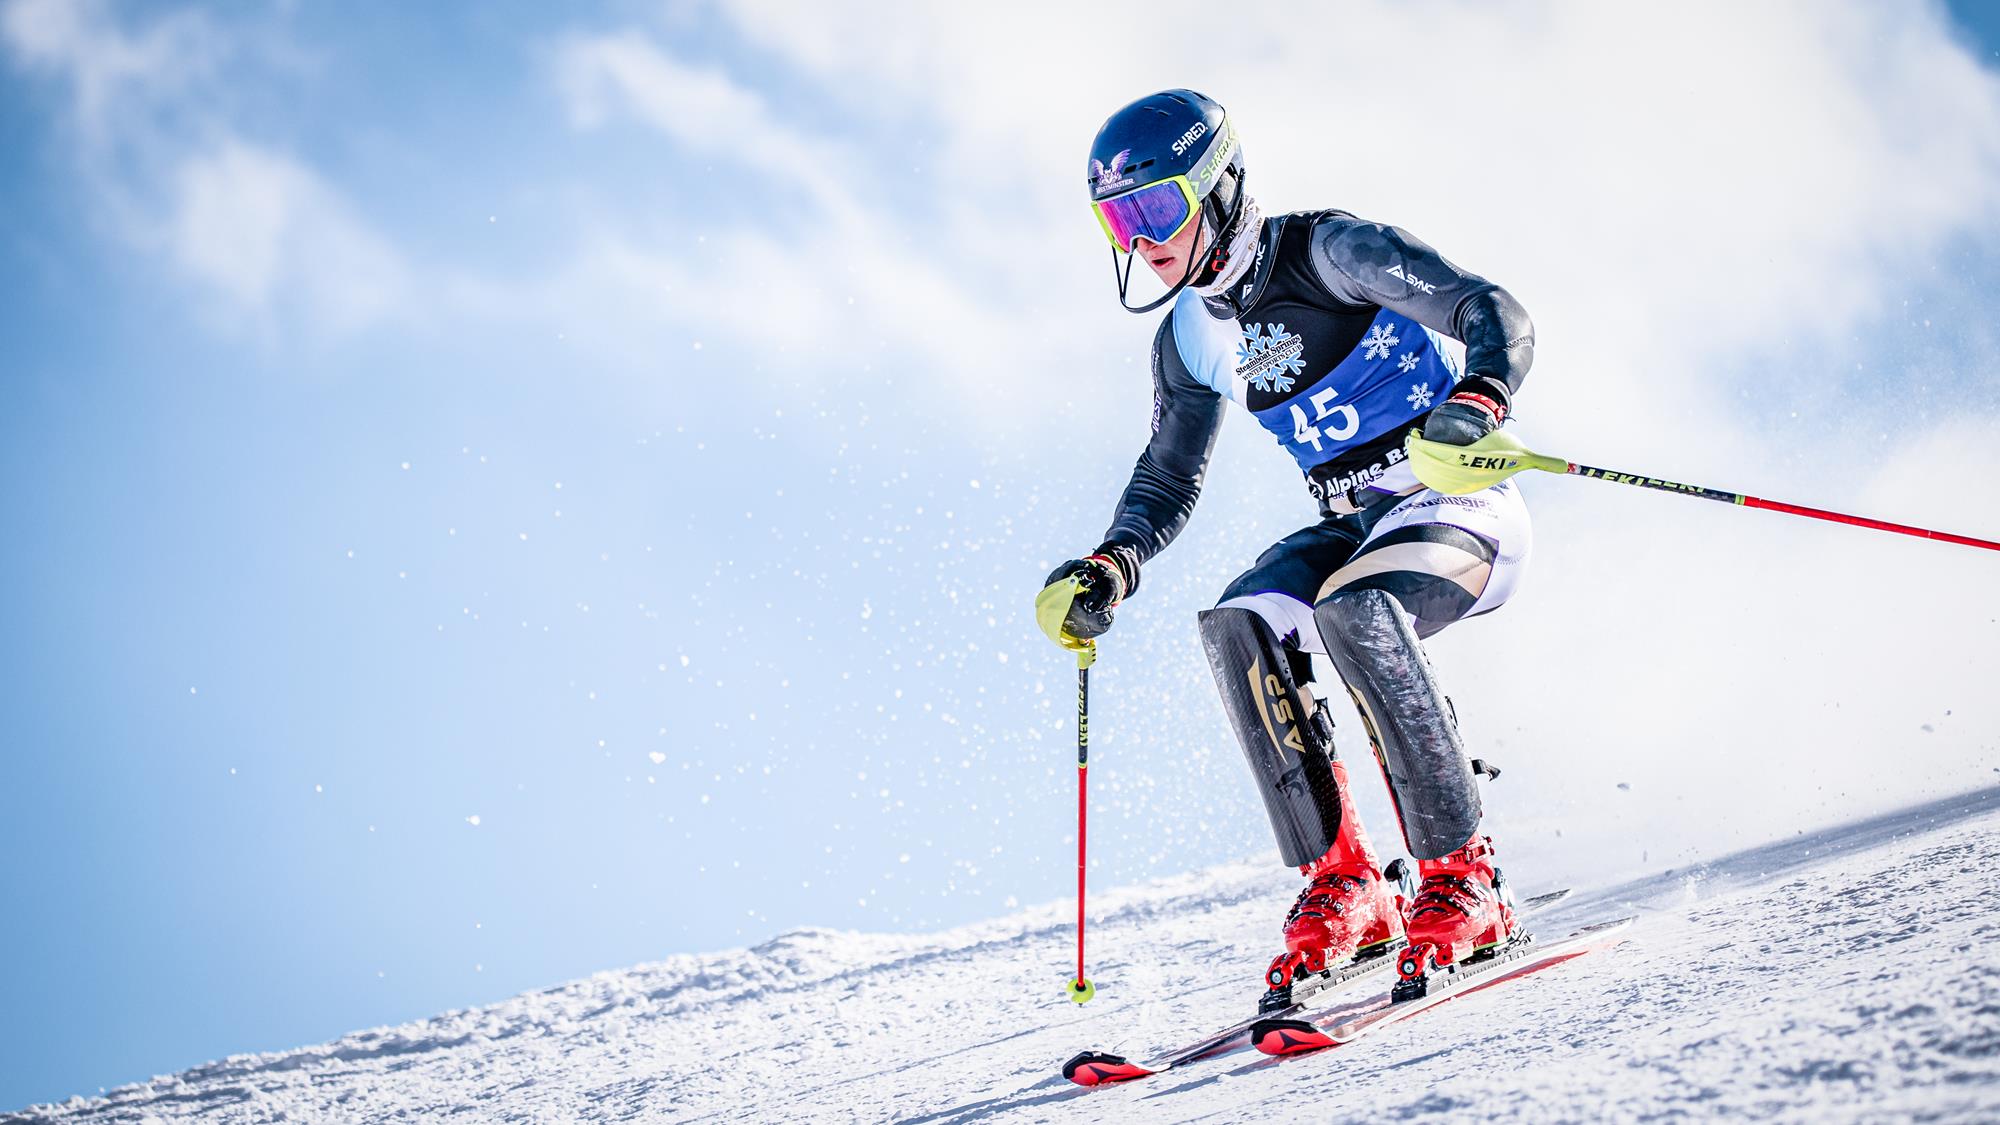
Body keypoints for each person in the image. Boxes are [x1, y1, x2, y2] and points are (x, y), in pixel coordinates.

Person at [1036, 89, 1537, 1002]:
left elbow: (1488, 308)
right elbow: (1167, 476)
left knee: (1355, 610)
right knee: (1242, 620)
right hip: (1355, 525)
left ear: (1216, 188)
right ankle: (1345, 881)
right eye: (1118, 218)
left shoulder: (1331, 253)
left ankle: (1465, 876)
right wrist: (1114, 561)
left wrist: (1479, 399)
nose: (1140, 239)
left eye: (1155, 209)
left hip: (1459, 510)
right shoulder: (1188, 336)